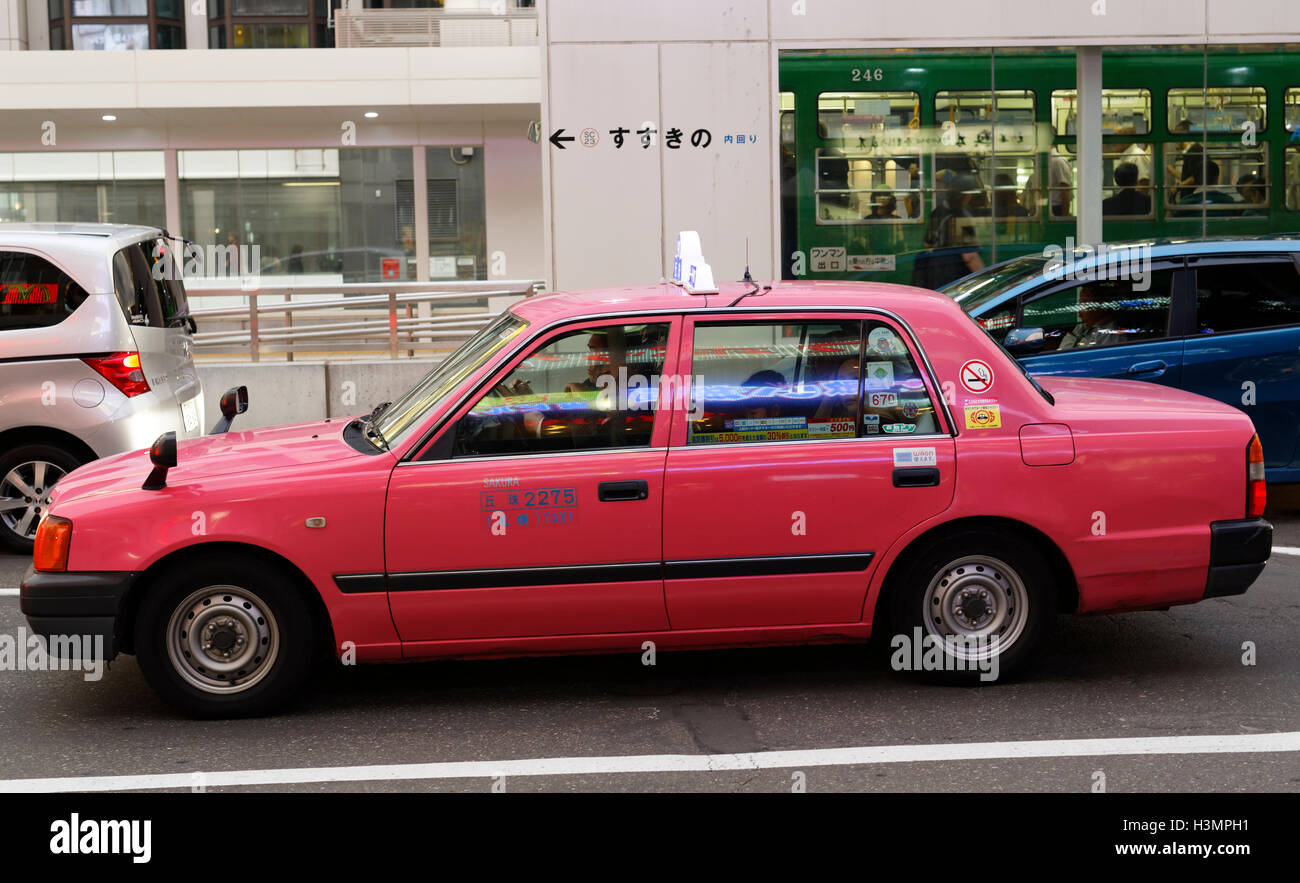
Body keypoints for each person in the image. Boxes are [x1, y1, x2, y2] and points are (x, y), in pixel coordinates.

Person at [910, 172, 984, 289]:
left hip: (936, 273)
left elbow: (928, 243)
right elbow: (969, 256)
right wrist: (984, 280)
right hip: (957, 277)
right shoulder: (961, 217)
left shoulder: (938, 211)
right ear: (968, 195)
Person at [1059, 287, 1126, 350]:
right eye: (1080, 302)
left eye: (1084, 302)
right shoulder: (1082, 326)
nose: (1079, 308)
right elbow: (1063, 348)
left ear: (1100, 306)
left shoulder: (1111, 334)